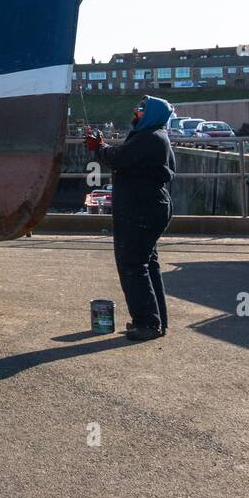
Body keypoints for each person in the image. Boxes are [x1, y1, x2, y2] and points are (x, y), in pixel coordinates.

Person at [86, 96, 176, 341]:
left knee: (133, 265)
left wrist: (97, 148)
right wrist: (102, 148)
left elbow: (118, 158)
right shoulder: (153, 136)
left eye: (140, 110)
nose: (135, 112)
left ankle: (147, 323)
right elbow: (123, 155)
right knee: (148, 264)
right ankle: (156, 321)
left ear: (151, 114)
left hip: (141, 210)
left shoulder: (149, 138)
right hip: (148, 207)